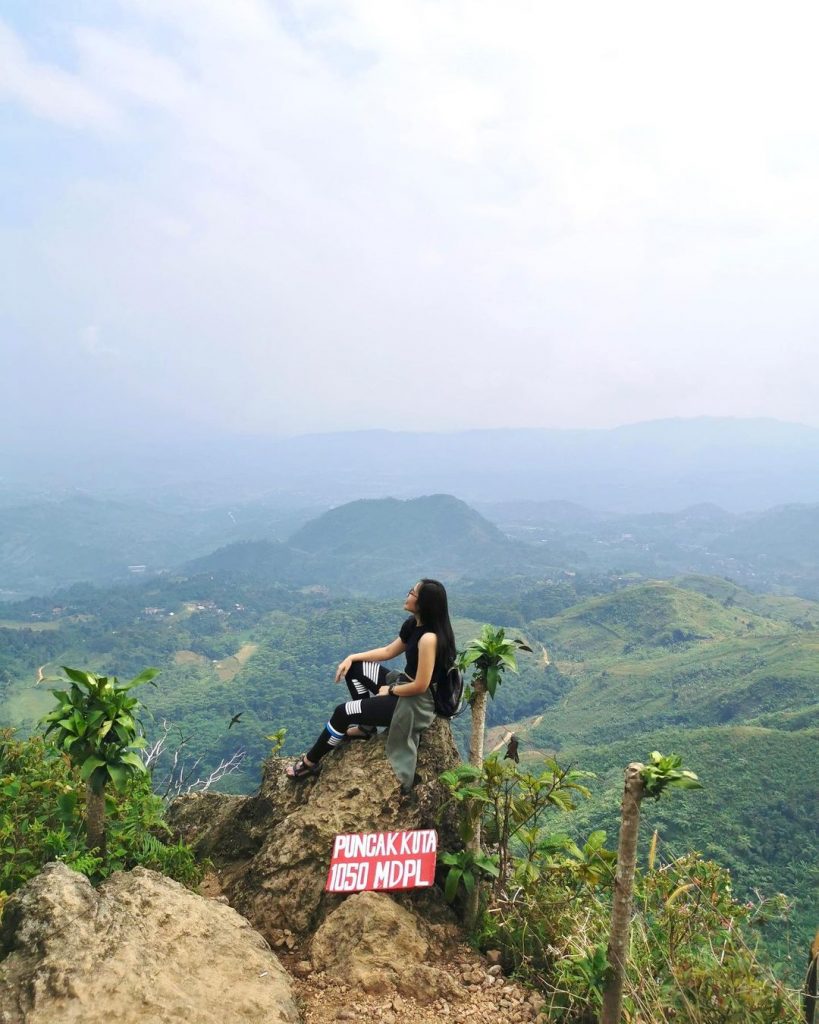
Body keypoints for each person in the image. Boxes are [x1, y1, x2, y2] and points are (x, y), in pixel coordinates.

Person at [286, 579, 455, 787]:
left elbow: (421, 685)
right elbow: (387, 652)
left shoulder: (429, 638)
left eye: (412, 593)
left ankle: (309, 763)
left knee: (343, 713)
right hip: (403, 686)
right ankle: (366, 728)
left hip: (414, 702)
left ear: (423, 603)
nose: (408, 595)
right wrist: (352, 657)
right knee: (355, 669)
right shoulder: (413, 625)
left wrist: (391, 690)